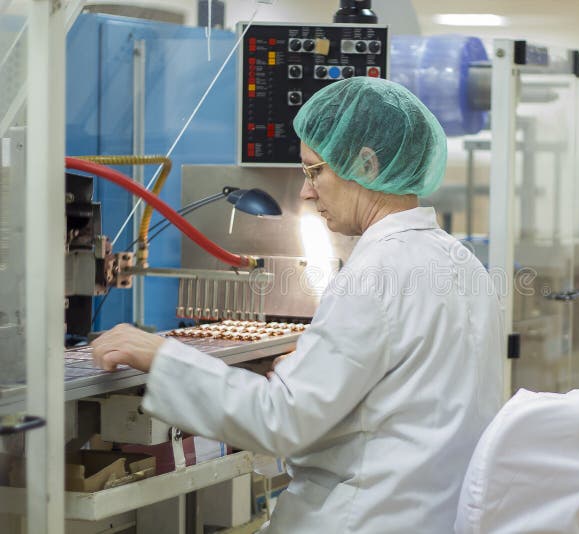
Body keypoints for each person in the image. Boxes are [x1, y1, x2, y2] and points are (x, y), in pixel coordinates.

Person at [92, 77, 503, 533]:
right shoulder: (462, 262)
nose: (306, 192)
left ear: (365, 164)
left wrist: (161, 358)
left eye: (314, 171)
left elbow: (279, 420)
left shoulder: (374, 274)